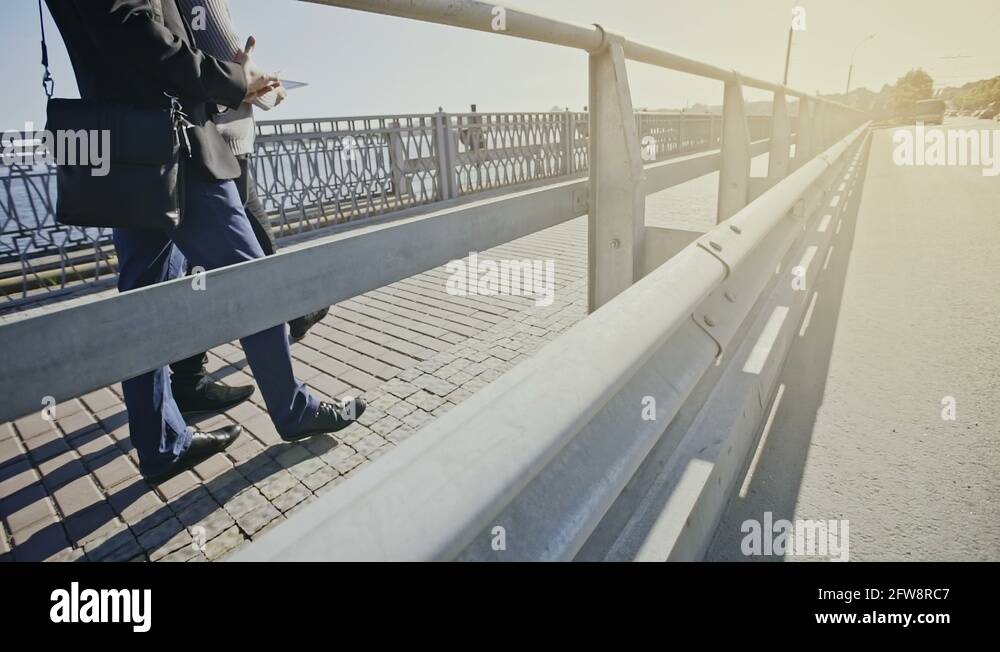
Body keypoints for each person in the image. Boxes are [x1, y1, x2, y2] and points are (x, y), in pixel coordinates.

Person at [44, 0, 365, 482]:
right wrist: (237, 82)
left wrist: (229, 80)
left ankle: (161, 442)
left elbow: (128, 45)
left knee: (145, 303)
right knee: (255, 282)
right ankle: (293, 410)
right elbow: (141, 39)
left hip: (128, 152)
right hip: (175, 148)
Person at [169, 0, 331, 417]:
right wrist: (267, 87)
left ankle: (187, 378)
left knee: (202, 266)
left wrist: (255, 81)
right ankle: (289, 320)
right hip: (217, 144)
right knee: (249, 255)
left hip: (208, 141)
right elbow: (227, 60)